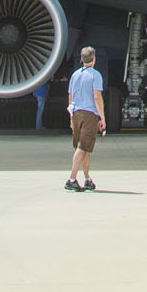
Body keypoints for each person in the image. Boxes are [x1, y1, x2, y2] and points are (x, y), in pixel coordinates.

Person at [65, 45, 105, 192]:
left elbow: (70, 97)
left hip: (75, 113)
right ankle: (72, 179)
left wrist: (71, 117)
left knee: (83, 148)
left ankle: (87, 179)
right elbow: (97, 97)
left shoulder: (74, 75)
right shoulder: (95, 75)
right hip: (89, 115)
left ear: (82, 59)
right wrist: (102, 118)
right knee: (82, 148)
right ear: (93, 59)